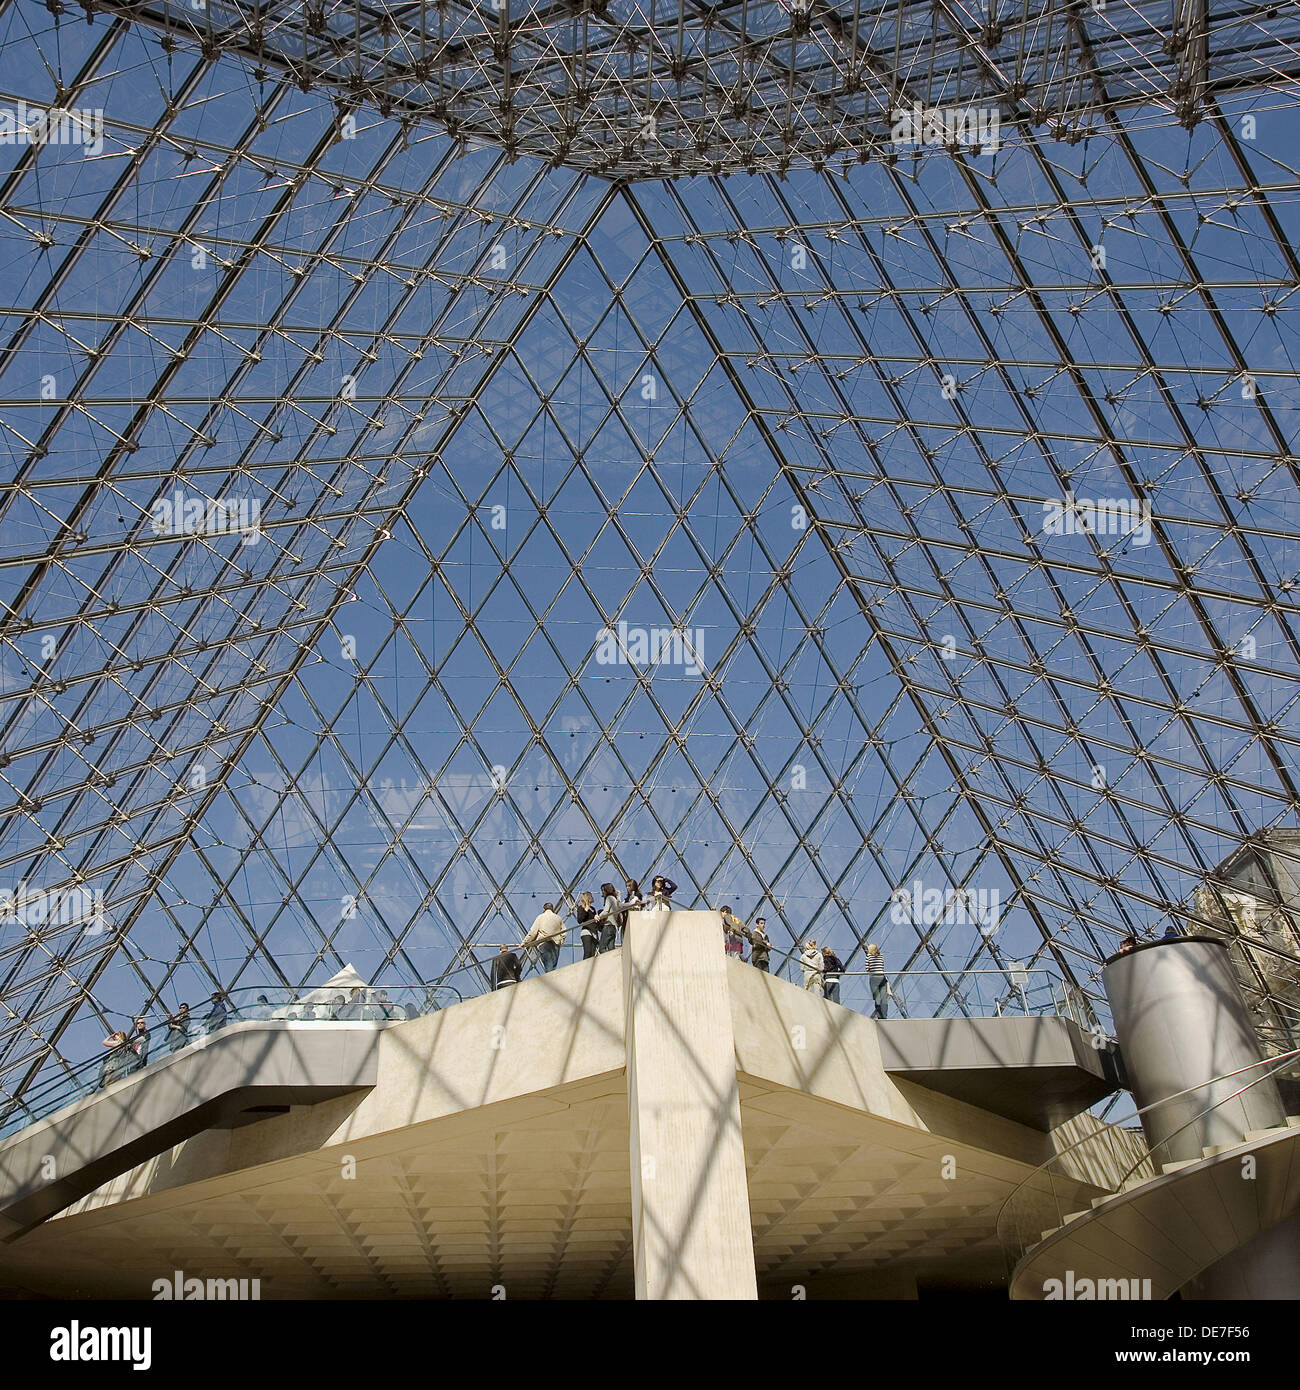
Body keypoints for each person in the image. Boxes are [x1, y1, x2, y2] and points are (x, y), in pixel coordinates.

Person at [521, 903, 566, 972]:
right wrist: (560, 942)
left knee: (548, 965)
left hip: (543, 943)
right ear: (552, 909)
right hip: (556, 944)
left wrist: (524, 942)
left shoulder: (540, 917)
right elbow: (564, 932)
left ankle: (550, 980)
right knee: (553, 965)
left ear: (544, 909)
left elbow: (532, 932)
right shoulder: (558, 918)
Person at [866, 942, 888, 1017]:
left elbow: (867, 968)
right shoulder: (881, 956)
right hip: (882, 977)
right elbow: (882, 966)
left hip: (874, 978)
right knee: (884, 998)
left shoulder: (868, 956)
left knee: (877, 998)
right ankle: (884, 1016)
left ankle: (879, 1015)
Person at [576, 891, 600, 959]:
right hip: (586, 931)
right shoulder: (581, 908)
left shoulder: (593, 909)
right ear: (588, 898)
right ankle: (585, 967)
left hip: (594, 933)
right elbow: (580, 920)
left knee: (592, 954)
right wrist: (586, 910)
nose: (592, 898)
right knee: (587, 952)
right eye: (591, 896)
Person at [597, 883, 620, 953]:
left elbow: (606, 912)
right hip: (614, 927)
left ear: (607, 890)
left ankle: (607, 963)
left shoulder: (609, 898)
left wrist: (598, 916)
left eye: (603, 890)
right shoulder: (615, 899)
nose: (602, 892)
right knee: (611, 949)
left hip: (608, 926)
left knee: (602, 948)